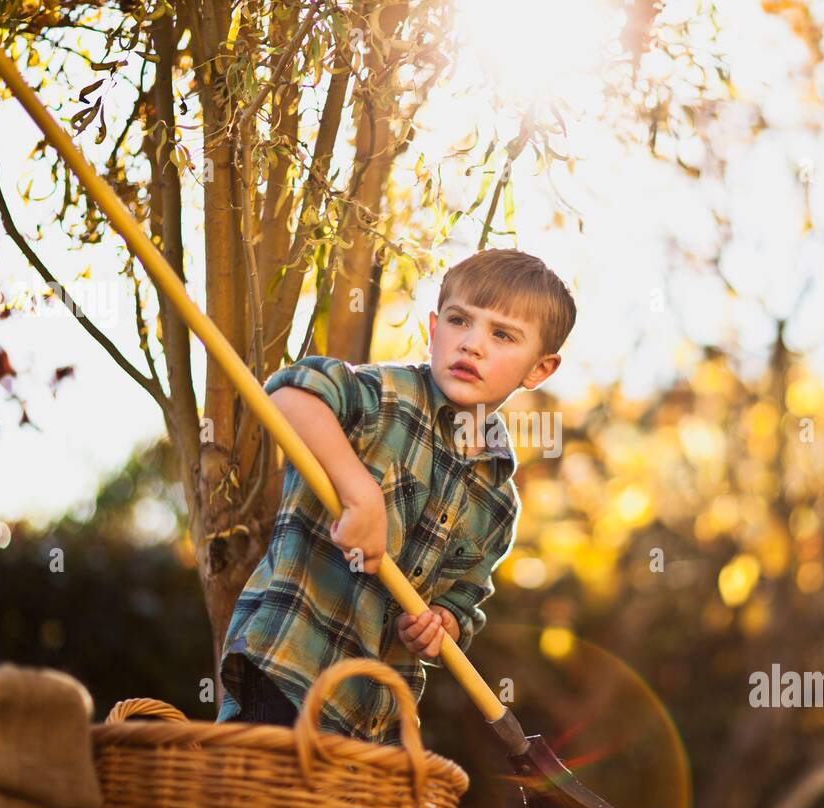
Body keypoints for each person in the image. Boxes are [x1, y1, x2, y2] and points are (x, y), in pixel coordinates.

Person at [215, 248, 576, 746]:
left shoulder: (498, 504)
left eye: (502, 335)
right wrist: (358, 490)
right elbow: (288, 394)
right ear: (433, 328)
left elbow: (461, 605)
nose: (471, 344)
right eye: (459, 320)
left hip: (375, 721)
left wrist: (440, 626)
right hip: (287, 667)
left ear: (540, 369)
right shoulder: (387, 396)